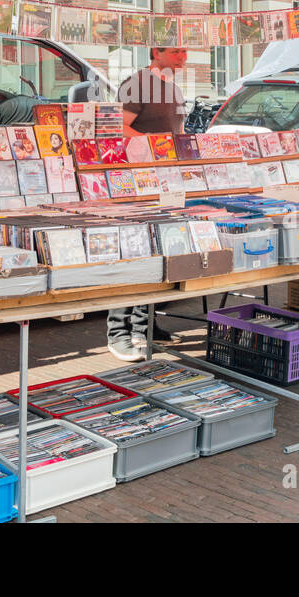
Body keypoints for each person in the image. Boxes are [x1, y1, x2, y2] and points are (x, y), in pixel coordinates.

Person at [106, 47, 188, 362]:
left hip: (165, 181)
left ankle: (146, 326)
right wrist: (157, 149)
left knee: (157, 251)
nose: (183, 56)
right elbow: (120, 127)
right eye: (175, 51)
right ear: (156, 52)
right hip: (136, 181)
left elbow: (175, 131)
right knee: (134, 253)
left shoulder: (175, 87)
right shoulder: (136, 85)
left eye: (185, 50)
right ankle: (119, 331)